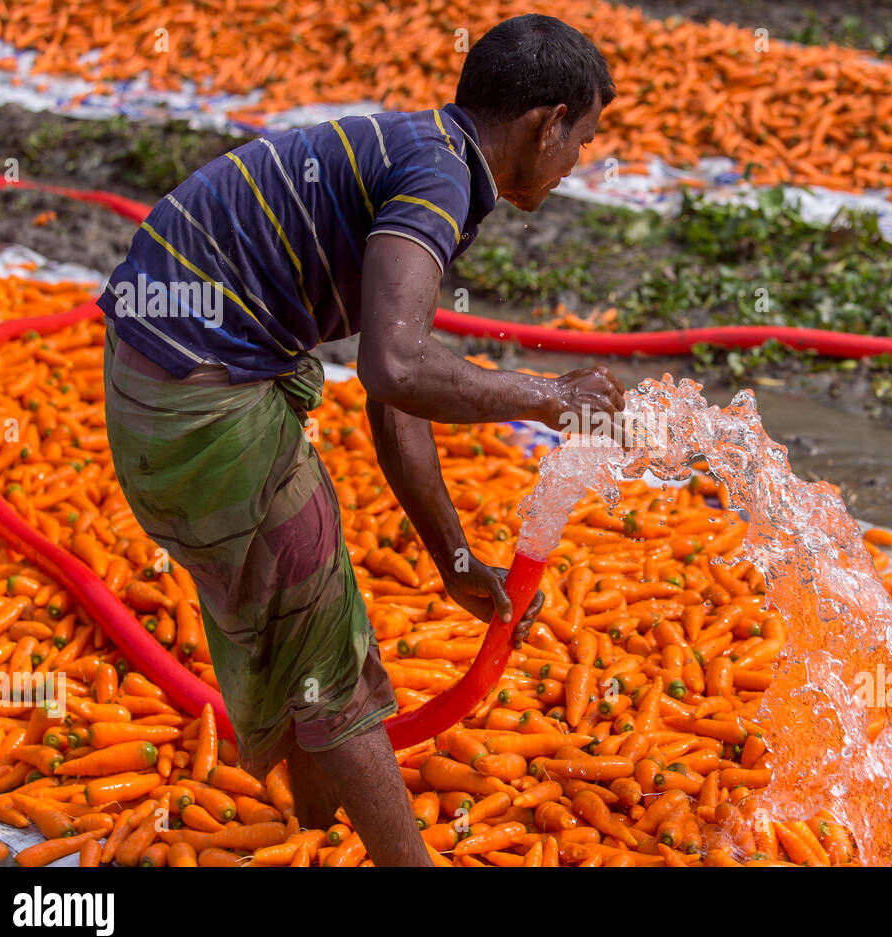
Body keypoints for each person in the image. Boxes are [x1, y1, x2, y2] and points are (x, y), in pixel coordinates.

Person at [99, 14, 625, 866]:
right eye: (583, 138)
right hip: (194, 397)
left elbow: (396, 395)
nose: (578, 164)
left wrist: (455, 563)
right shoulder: (437, 177)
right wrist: (550, 396)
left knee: (301, 623)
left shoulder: (431, 156)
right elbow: (394, 366)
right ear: (544, 123)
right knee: (330, 656)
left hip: (167, 375)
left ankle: (309, 839)